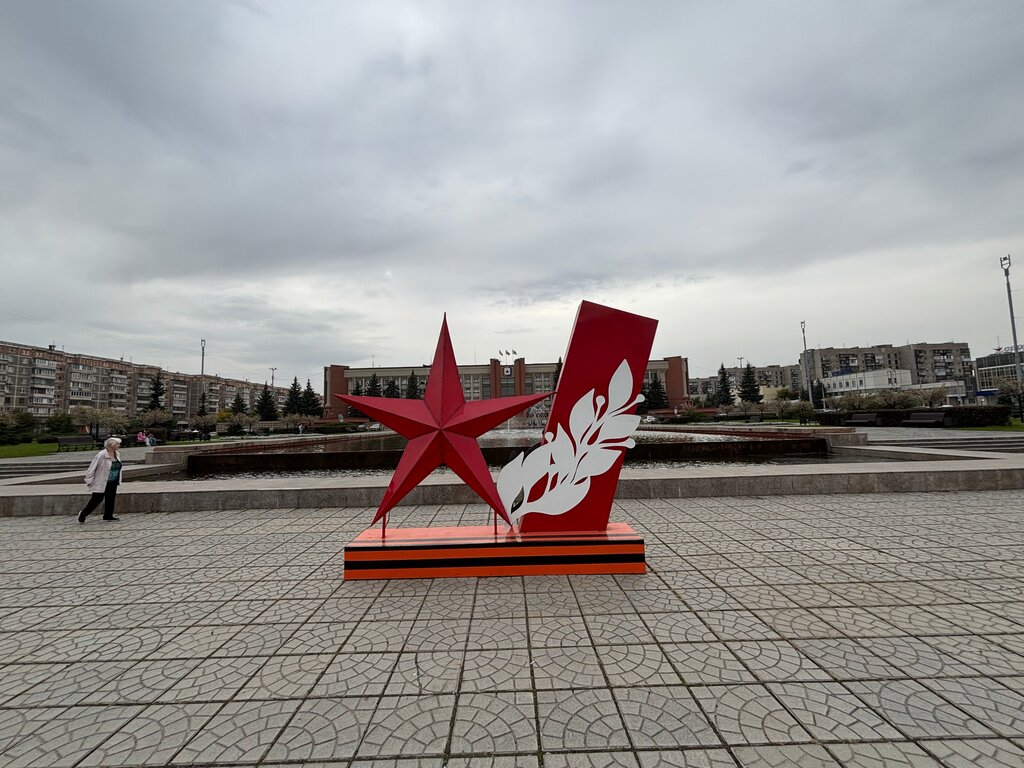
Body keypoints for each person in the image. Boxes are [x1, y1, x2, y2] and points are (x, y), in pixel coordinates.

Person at [78, 437, 124, 523]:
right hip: (102, 480)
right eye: (117, 444)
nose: (119, 446)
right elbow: (92, 467)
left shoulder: (116, 453)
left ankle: (108, 515)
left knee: (110, 498)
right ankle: (83, 514)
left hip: (113, 480)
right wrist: (89, 479)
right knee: (96, 499)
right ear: (111, 445)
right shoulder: (101, 455)